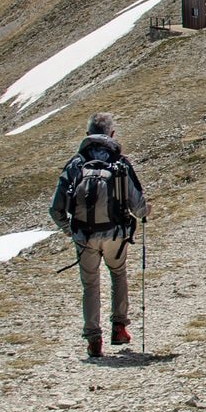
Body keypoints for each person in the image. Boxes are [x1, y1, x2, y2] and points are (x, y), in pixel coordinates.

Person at [49, 112, 148, 358]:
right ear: (111, 134)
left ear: (87, 135)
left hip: (84, 235)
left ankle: (93, 339)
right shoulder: (119, 163)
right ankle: (119, 328)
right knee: (118, 273)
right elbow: (138, 207)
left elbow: (55, 208)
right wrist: (146, 211)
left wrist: (70, 230)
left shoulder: (76, 163)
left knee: (90, 284)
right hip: (115, 234)